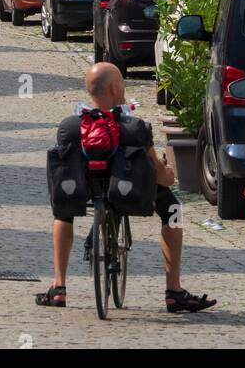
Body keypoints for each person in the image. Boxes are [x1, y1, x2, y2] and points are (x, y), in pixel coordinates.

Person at [36, 62, 217, 314]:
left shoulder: (69, 127)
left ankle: (58, 287)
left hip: (86, 188)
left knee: (62, 212)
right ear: (113, 88)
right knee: (174, 210)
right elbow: (157, 172)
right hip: (128, 188)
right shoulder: (133, 128)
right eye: (122, 82)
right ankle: (174, 291)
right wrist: (169, 175)